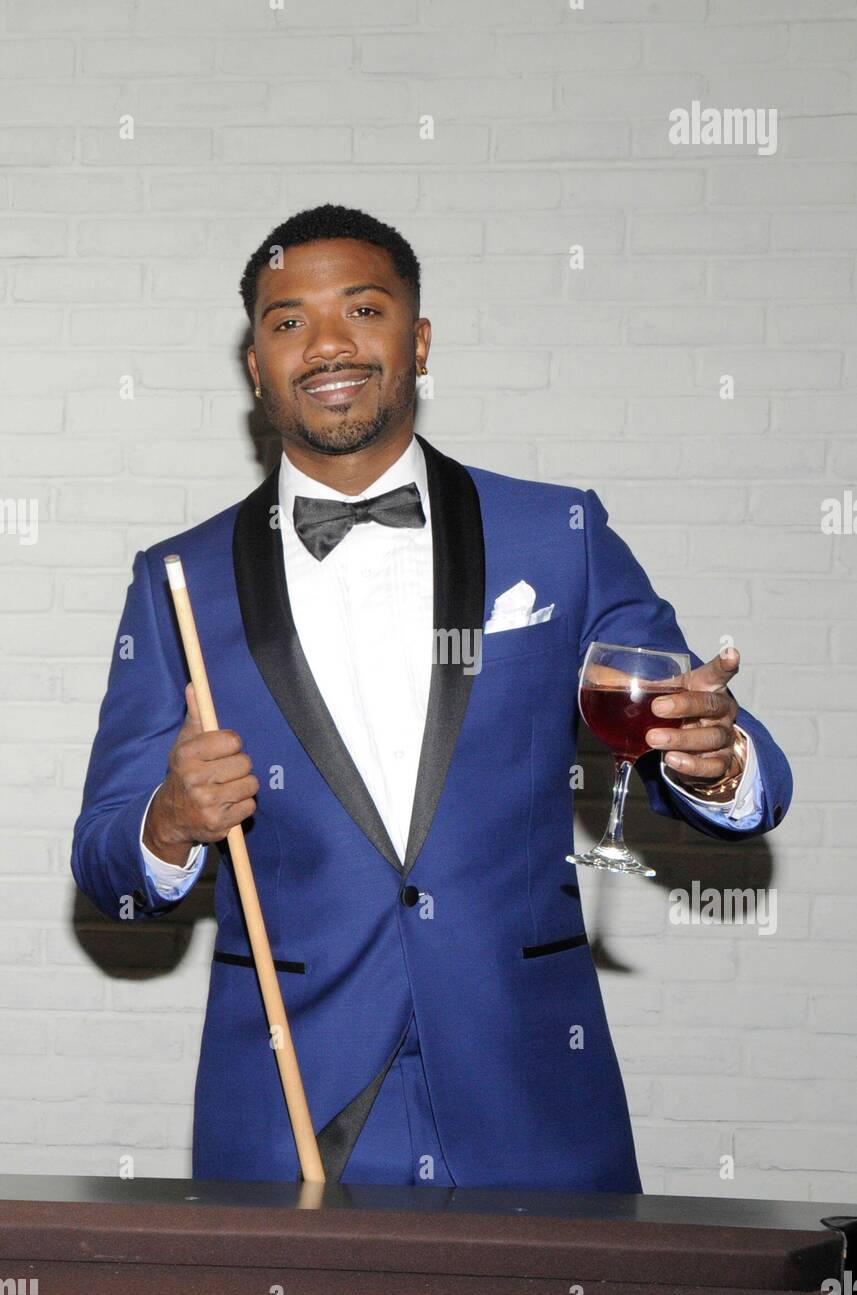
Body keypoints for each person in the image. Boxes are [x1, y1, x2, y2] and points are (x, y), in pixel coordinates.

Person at [71, 204, 792, 1191]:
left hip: (532, 1095)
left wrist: (718, 762)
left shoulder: (558, 534)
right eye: (287, 321)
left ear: (416, 339)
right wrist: (165, 823)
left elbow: (708, 727)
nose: (326, 341)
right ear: (253, 366)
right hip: (291, 1109)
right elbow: (102, 863)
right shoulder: (176, 580)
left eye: (361, 309)